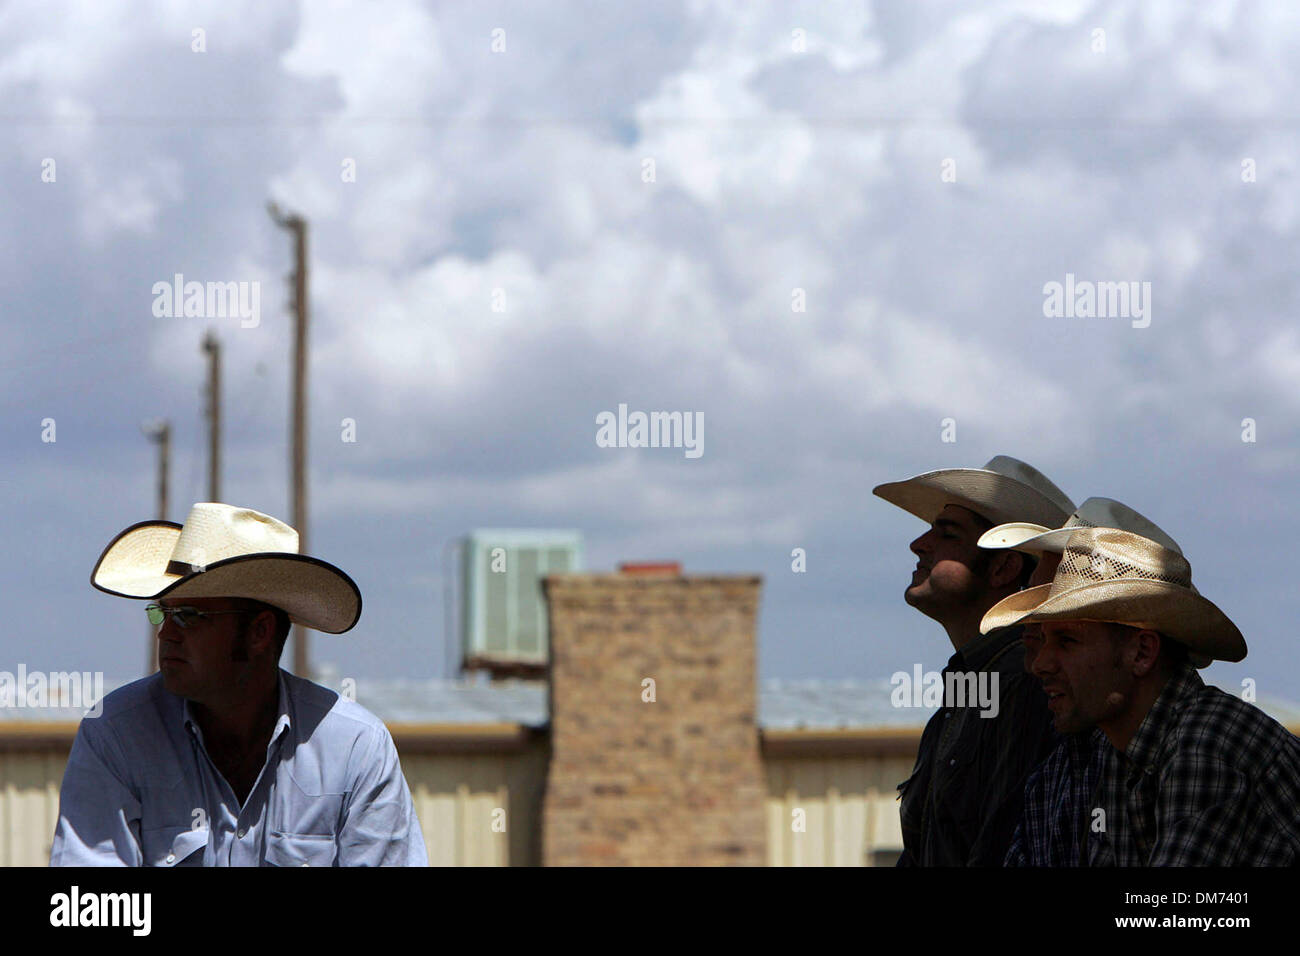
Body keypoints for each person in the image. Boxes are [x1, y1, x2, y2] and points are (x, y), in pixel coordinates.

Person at [50, 502, 427, 866]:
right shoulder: (116, 734)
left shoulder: (355, 748)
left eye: (188, 616)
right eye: (163, 612)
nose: (165, 634)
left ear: (259, 632)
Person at [983, 526, 1300, 865]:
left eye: (1067, 641)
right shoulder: (1118, 755)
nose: (1041, 664)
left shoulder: (1208, 741)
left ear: (1142, 652)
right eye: (1044, 640)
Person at [873, 455, 1074, 865]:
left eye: (947, 534)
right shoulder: (970, 689)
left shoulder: (1025, 683)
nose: (919, 544)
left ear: (1003, 567)